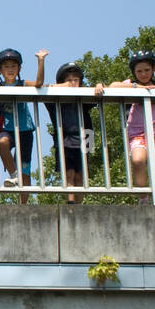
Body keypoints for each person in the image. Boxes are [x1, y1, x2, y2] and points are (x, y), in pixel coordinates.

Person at [94, 50, 155, 201]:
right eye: (139, 71)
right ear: (134, 72)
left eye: (147, 70)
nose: (143, 74)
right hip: (137, 132)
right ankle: (143, 199)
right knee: (138, 160)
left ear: (153, 69)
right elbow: (114, 86)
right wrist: (138, 88)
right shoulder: (131, 84)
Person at [0, 47, 47, 199]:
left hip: (25, 130)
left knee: (25, 172)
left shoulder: (23, 84)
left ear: (19, 68)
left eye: (13, 66)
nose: (10, 69)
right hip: (7, 129)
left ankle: (23, 205)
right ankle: (14, 175)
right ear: (0, 70)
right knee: (2, 142)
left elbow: (39, 83)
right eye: (6, 66)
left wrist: (40, 61)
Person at [44, 62, 97, 204]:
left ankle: (78, 206)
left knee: (80, 175)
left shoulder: (83, 97)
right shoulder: (56, 99)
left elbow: (98, 94)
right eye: (68, 80)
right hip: (64, 139)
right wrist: (63, 86)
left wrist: (99, 85)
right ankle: (71, 203)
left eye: (75, 80)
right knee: (69, 173)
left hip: (86, 137)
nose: (72, 83)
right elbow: (44, 88)